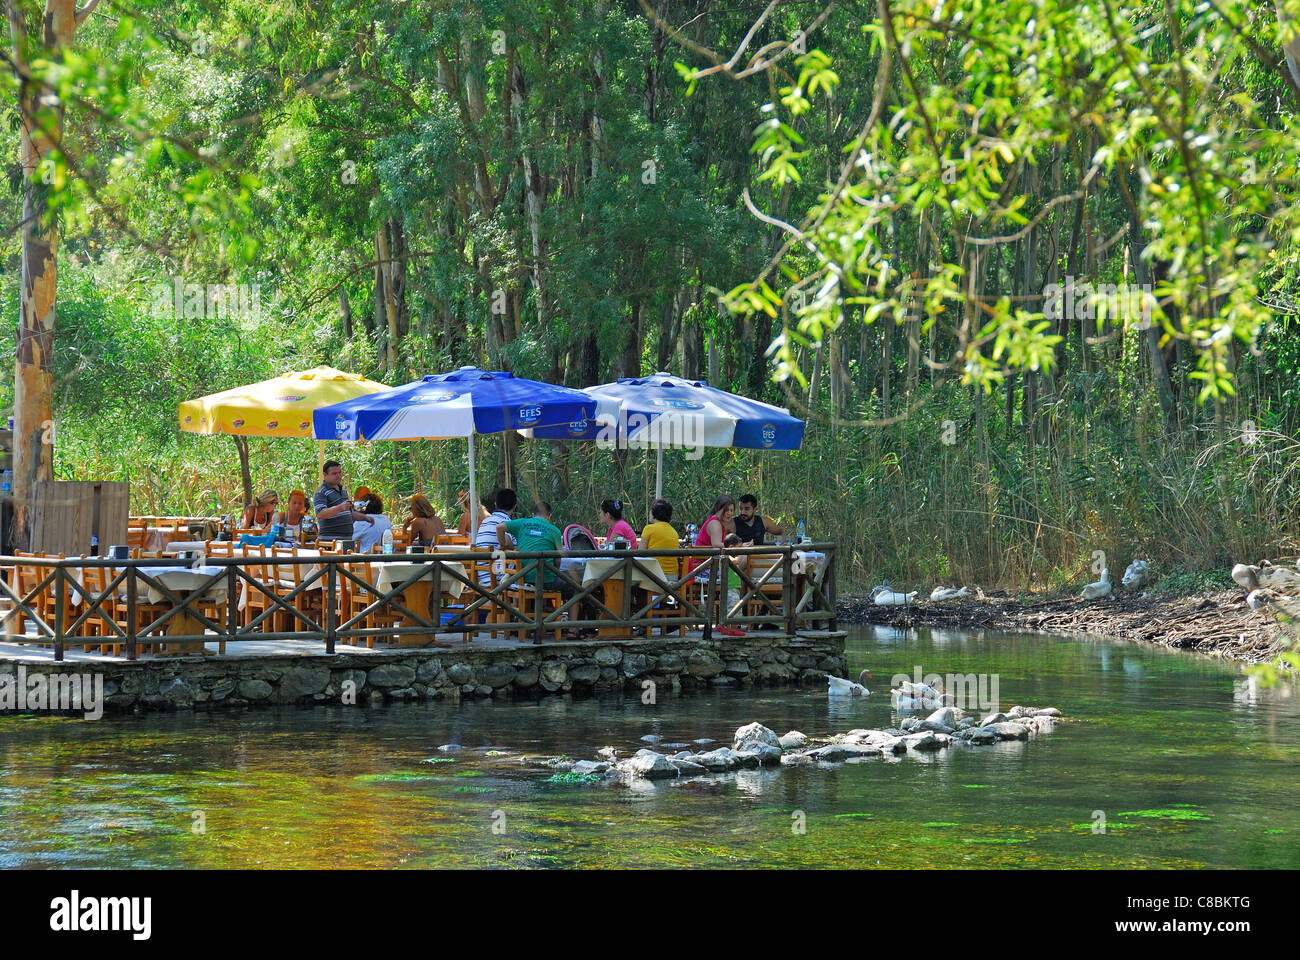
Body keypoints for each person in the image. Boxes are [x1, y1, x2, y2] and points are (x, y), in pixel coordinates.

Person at [313, 460, 374, 543]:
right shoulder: (321, 491)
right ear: (325, 475)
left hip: (346, 541)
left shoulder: (343, 490)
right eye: (334, 473)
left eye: (340, 472)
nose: (338, 476)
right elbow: (320, 514)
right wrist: (340, 507)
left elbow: (349, 513)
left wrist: (365, 518)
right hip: (330, 542)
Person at [474, 488, 517, 585]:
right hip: (498, 578)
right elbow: (507, 542)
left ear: (495, 504)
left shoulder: (485, 521)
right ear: (514, 506)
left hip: (482, 576)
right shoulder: (506, 522)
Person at [640, 498, 680, 580]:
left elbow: (640, 554)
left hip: (655, 577)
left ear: (654, 513)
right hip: (673, 578)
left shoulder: (649, 529)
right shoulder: (674, 532)